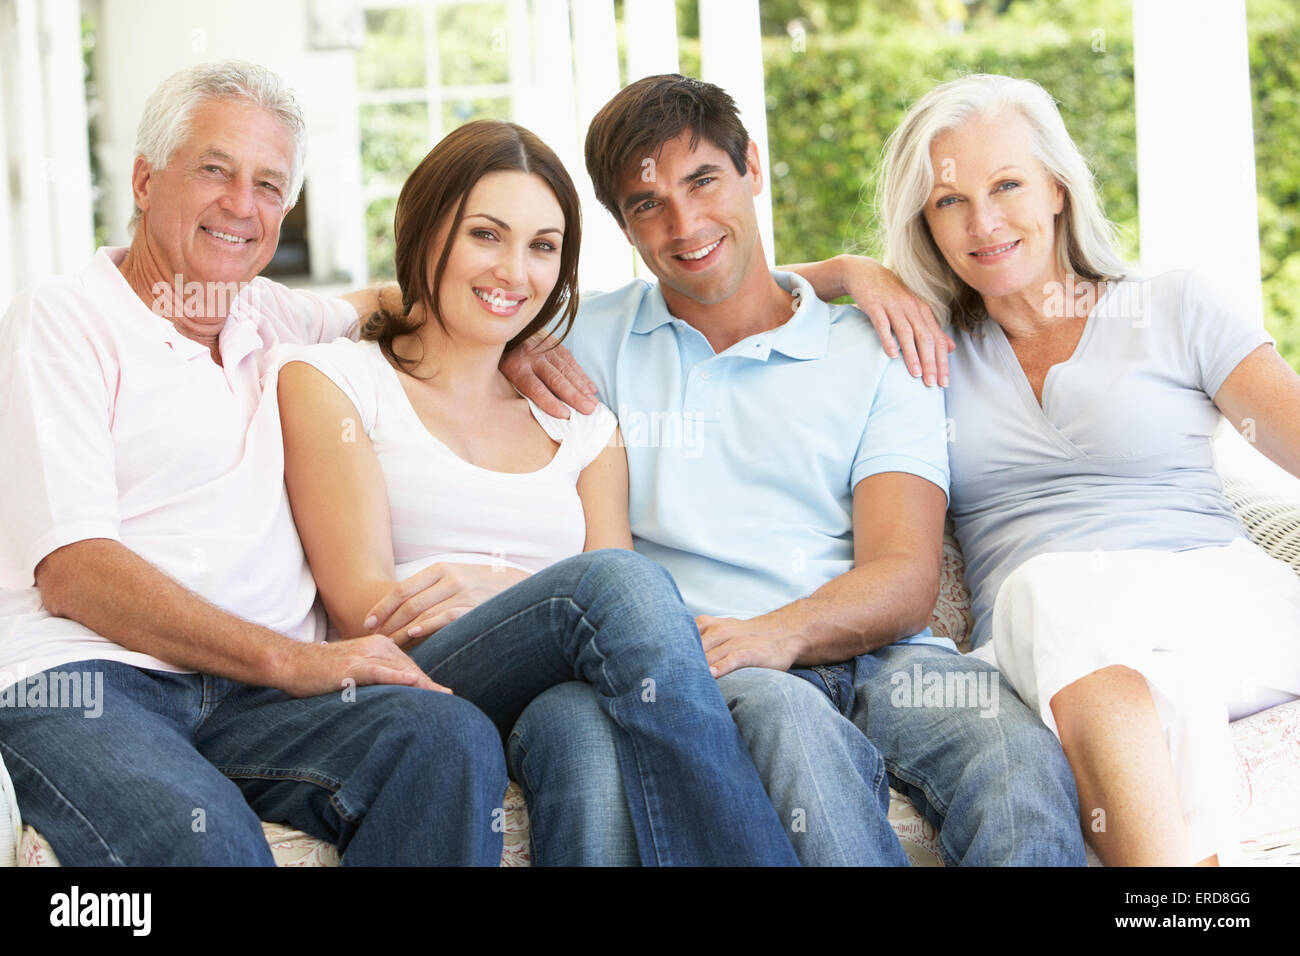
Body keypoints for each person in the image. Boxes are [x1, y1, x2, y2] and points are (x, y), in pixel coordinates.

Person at [501, 74, 1085, 866]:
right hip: (716, 663)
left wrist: (781, 632)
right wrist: (507, 347)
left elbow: (906, 577)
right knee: (791, 727)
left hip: (884, 661)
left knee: (1014, 759)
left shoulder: (883, 345)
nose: (685, 223)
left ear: (752, 167)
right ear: (623, 226)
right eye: (647, 205)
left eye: (704, 181)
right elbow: (432, 299)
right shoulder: (585, 340)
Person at [0, 60, 509, 865]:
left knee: (446, 739)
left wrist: (526, 337)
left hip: (256, 700)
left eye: (269, 185)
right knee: (204, 843)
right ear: (143, 179)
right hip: (91, 682)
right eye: (214, 169)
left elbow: (396, 301)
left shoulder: (273, 317)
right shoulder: (58, 322)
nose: (243, 205)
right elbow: (75, 569)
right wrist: (290, 659)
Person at [273, 119, 799, 866]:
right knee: (612, 586)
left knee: (581, 731)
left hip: (553, 689)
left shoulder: (582, 428)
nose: (514, 272)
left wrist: (505, 584)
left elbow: (624, 635)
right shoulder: (337, 382)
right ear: (425, 231)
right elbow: (369, 610)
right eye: (486, 235)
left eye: (543, 246)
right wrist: (554, 600)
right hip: (406, 683)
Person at [875, 72, 1300, 865]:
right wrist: (850, 273)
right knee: (1119, 666)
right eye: (948, 200)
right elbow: (747, 294)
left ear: (1060, 190)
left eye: (1007, 184)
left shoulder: (1175, 307)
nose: (984, 221)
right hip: (1042, 647)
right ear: (923, 223)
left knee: (1054, 591)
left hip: (1221, 602)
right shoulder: (922, 357)